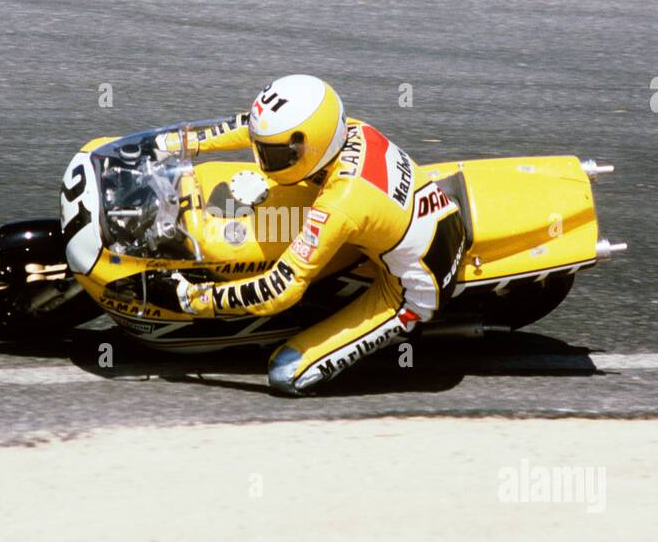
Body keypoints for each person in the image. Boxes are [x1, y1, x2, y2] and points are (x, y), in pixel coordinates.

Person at [161, 74, 469, 395]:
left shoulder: (341, 201)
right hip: (404, 218)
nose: (264, 162)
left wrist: (194, 300)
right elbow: (250, 127)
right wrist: (184, 143)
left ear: (307, 144)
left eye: (276, 155)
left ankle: (403, 326)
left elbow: (279, 290)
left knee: (286, 373)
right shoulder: (347, 128)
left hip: (413, 286)